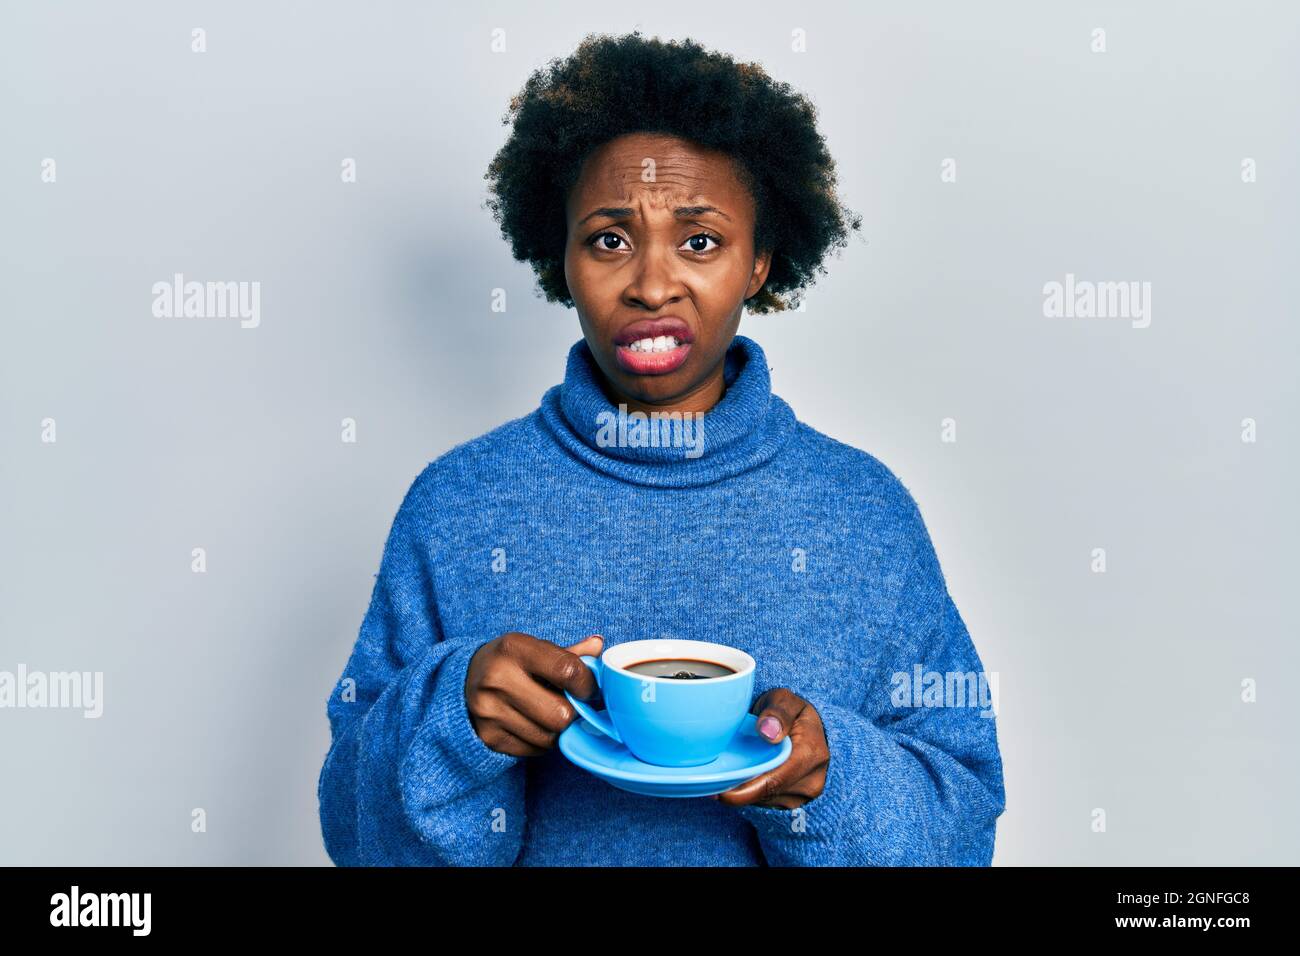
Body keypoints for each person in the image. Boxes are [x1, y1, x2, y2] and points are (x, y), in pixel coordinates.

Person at [317, 31, 1006, 866]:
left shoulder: (866, 512)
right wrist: (450, 723)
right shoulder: (456, 504)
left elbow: (964, 826)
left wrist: (831, 783)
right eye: (609, 239)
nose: (650, 283)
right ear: (559, 258)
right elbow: (354, 836)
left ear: (759, 261)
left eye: (701, 241)